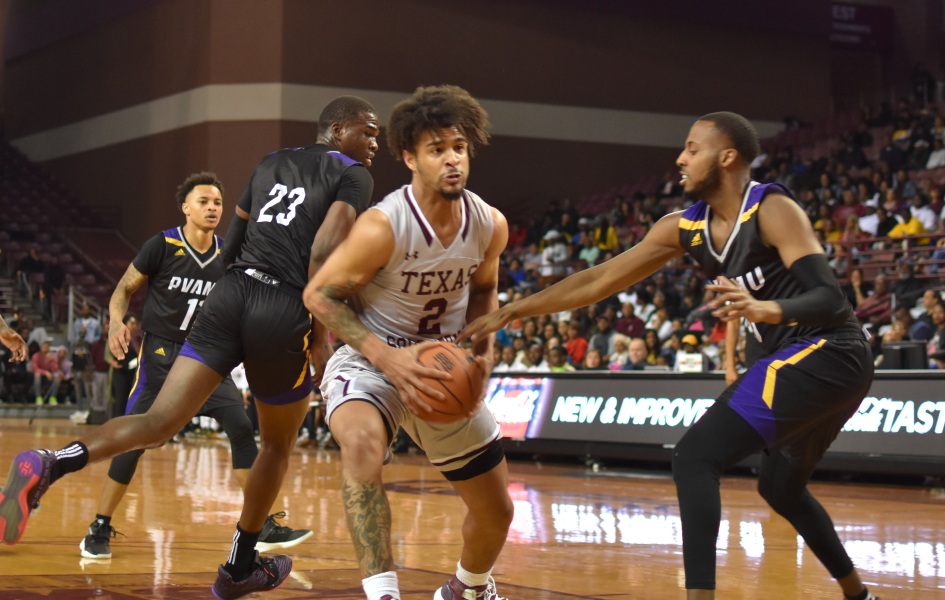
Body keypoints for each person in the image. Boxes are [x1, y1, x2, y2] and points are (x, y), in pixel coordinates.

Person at [461, 112, 879, 600]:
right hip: (810, 364)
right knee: (779, 489)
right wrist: (515, 310)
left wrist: (765, 308)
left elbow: (831, 300)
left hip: (832, 349)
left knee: (694, 456)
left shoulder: (771, 208)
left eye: (692, 148)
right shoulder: (683, 228)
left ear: (727, 157)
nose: (680, 158)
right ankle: (860, 596)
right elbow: (598, 279)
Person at [0, 95, 380, 600]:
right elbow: (325, 253)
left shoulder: (270, 162)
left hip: (230, 292)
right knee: (274, 446)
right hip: (284, 306)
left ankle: (51, 462)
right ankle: (239, 567)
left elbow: (236, 237)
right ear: (337, 130)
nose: (375, 144)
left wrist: (232, 302)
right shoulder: (354, 175)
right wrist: (317, 333)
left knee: (157, 423)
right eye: (368, 132)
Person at [305, 85, 512, 600]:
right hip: (372, 358)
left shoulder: (489, 224)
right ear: (409, 157)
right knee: (361, 446)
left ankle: (468, 590)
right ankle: (383, 593)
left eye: (459, 147)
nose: (452, 160)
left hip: (443, 365)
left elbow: (485, 291)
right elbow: (319, 295)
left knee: (497, 512)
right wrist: (386, 358)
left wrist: (483, 357)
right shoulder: (383, 225)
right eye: (437, 149)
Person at [77, 172, 311, 561]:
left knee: (240, 425)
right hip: (161, 357)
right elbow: (123, 289)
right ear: (186, 207)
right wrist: (116, 322)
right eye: (203, 201)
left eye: (218, 202)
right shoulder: (164, 244)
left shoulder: (229, 252)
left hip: (206, 353)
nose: (212, 208)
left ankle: (263, 522)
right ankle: (99, 524)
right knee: (137, 440)